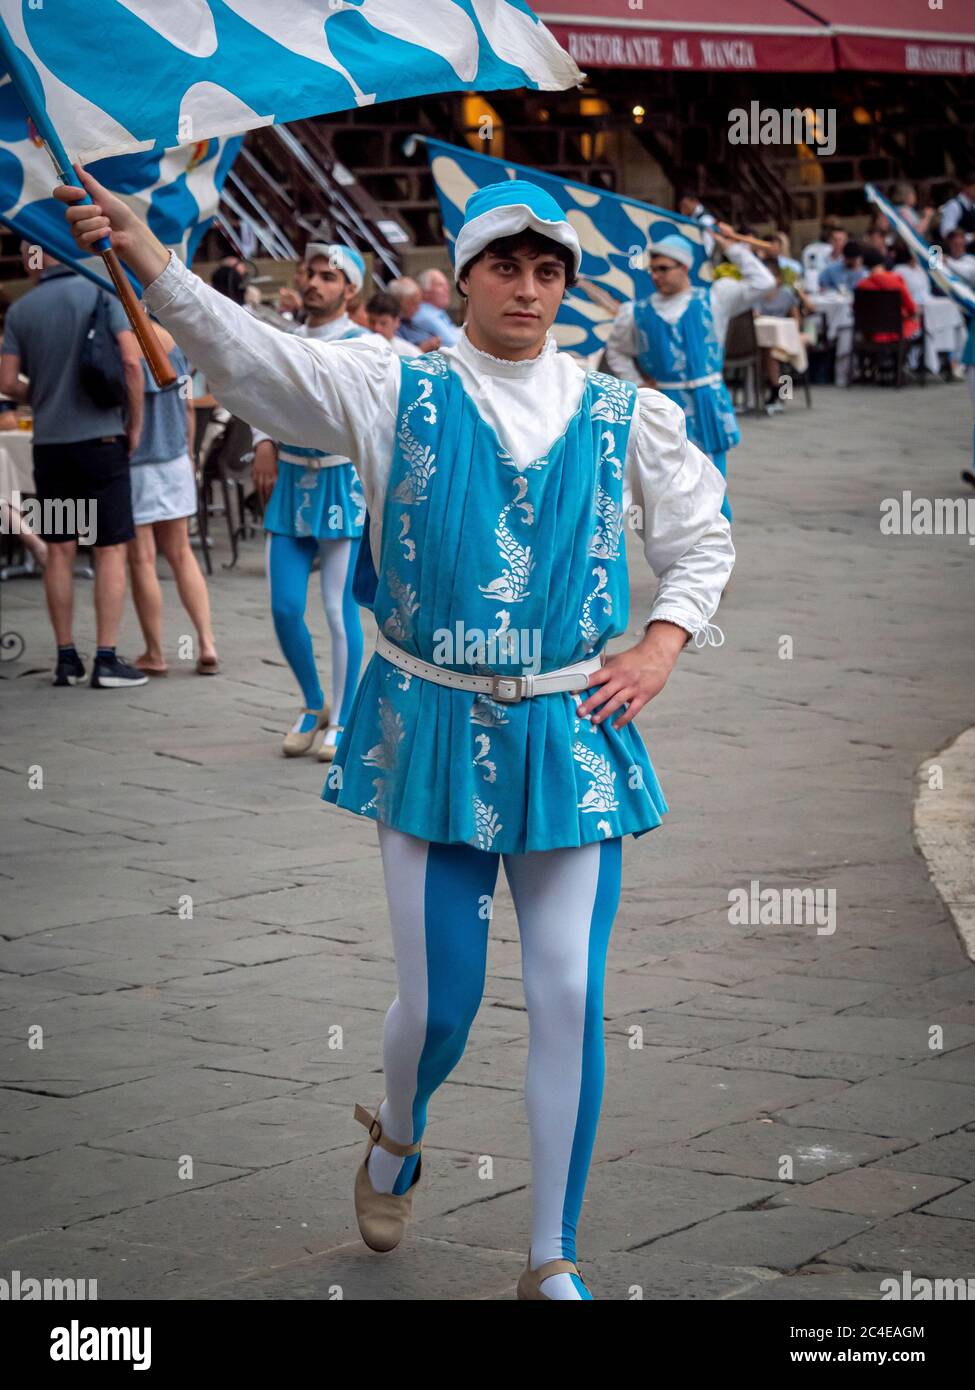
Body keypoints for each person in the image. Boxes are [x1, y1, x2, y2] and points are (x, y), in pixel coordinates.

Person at [58, 169, 734, 1303]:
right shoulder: (391, 388)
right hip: (430, 729)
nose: (529, 285)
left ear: (567, 284)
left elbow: (702, 533)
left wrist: (664, 641)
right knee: (441, 1005)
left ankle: (550, 1255)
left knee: (570, 989)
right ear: (463, 276)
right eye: (506, 264)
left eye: (548, 267)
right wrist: (154, 262)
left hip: (570, 729)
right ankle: (401, 1126)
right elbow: (257, 361)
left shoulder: (626, 411)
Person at [250, 241, 381, 760]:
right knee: (283, 607)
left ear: (350, 288)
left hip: (340, 486)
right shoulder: (281, 338)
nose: (315, 283)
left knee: (336, 606)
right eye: (310, 273)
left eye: (329, 276)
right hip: (290, 484)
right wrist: (262, 441)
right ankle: (312, 703)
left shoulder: (367, 345)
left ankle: (345, 717)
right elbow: (259, 392)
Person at [0, 245, 147, 688]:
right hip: (102, 443)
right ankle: (106, 658)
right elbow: (130, 362)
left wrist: (41, 395)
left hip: (50, 447)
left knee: (60, 548)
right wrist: (134, 425)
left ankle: (66, 658)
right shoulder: (103, 294)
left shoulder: (21, 310)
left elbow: (6, 382)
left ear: (34, 262)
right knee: (109, 548)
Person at [604, 228, 775, 523]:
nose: (655, 275)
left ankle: (715, 547)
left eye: (663, 268)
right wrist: (638, 384)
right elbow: (616, 351)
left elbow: (764, 282)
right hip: (665, 403)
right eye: (652, 269)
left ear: (684, 267)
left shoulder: (716, 298)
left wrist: (731, 248)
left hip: (708, 402)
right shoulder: (637, 312)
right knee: (669, 484)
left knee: (713, 481)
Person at [125, 314, 219, 676]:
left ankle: (155, 652)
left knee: (143, 559)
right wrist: (190, 455)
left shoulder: (124, 341)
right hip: (175, 457)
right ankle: (207, 642)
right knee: (182, 554)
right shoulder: (173, 344)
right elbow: (188, 407)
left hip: (138, 462)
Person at [754, 257, 810, 412]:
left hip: (784, 337)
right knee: (768, 350)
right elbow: (755, 315)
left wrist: (796, 333)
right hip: (761, 338)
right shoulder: (757, 295)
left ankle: (779, 393)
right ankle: (776, 392)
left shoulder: (786, 295)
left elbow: (796, 318)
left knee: (774, 352)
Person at [389, 276, 446, 351]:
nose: (418, 308)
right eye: (415, 303)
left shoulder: (410, 320)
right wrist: (421, 348)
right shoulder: (391, 326)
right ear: (403, 303)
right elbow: (399, 355)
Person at [366, 291, 419, 356]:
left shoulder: (412, 354)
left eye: (383, 323)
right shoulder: (358, 347)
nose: (376, 328)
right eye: (372, 322)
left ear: (396, 322)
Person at [939, 173, 975, 246]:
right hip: (961, 255)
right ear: (966, 187)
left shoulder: (973, 206)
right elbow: (946, 234)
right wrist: (971, 237)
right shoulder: (953, 206)